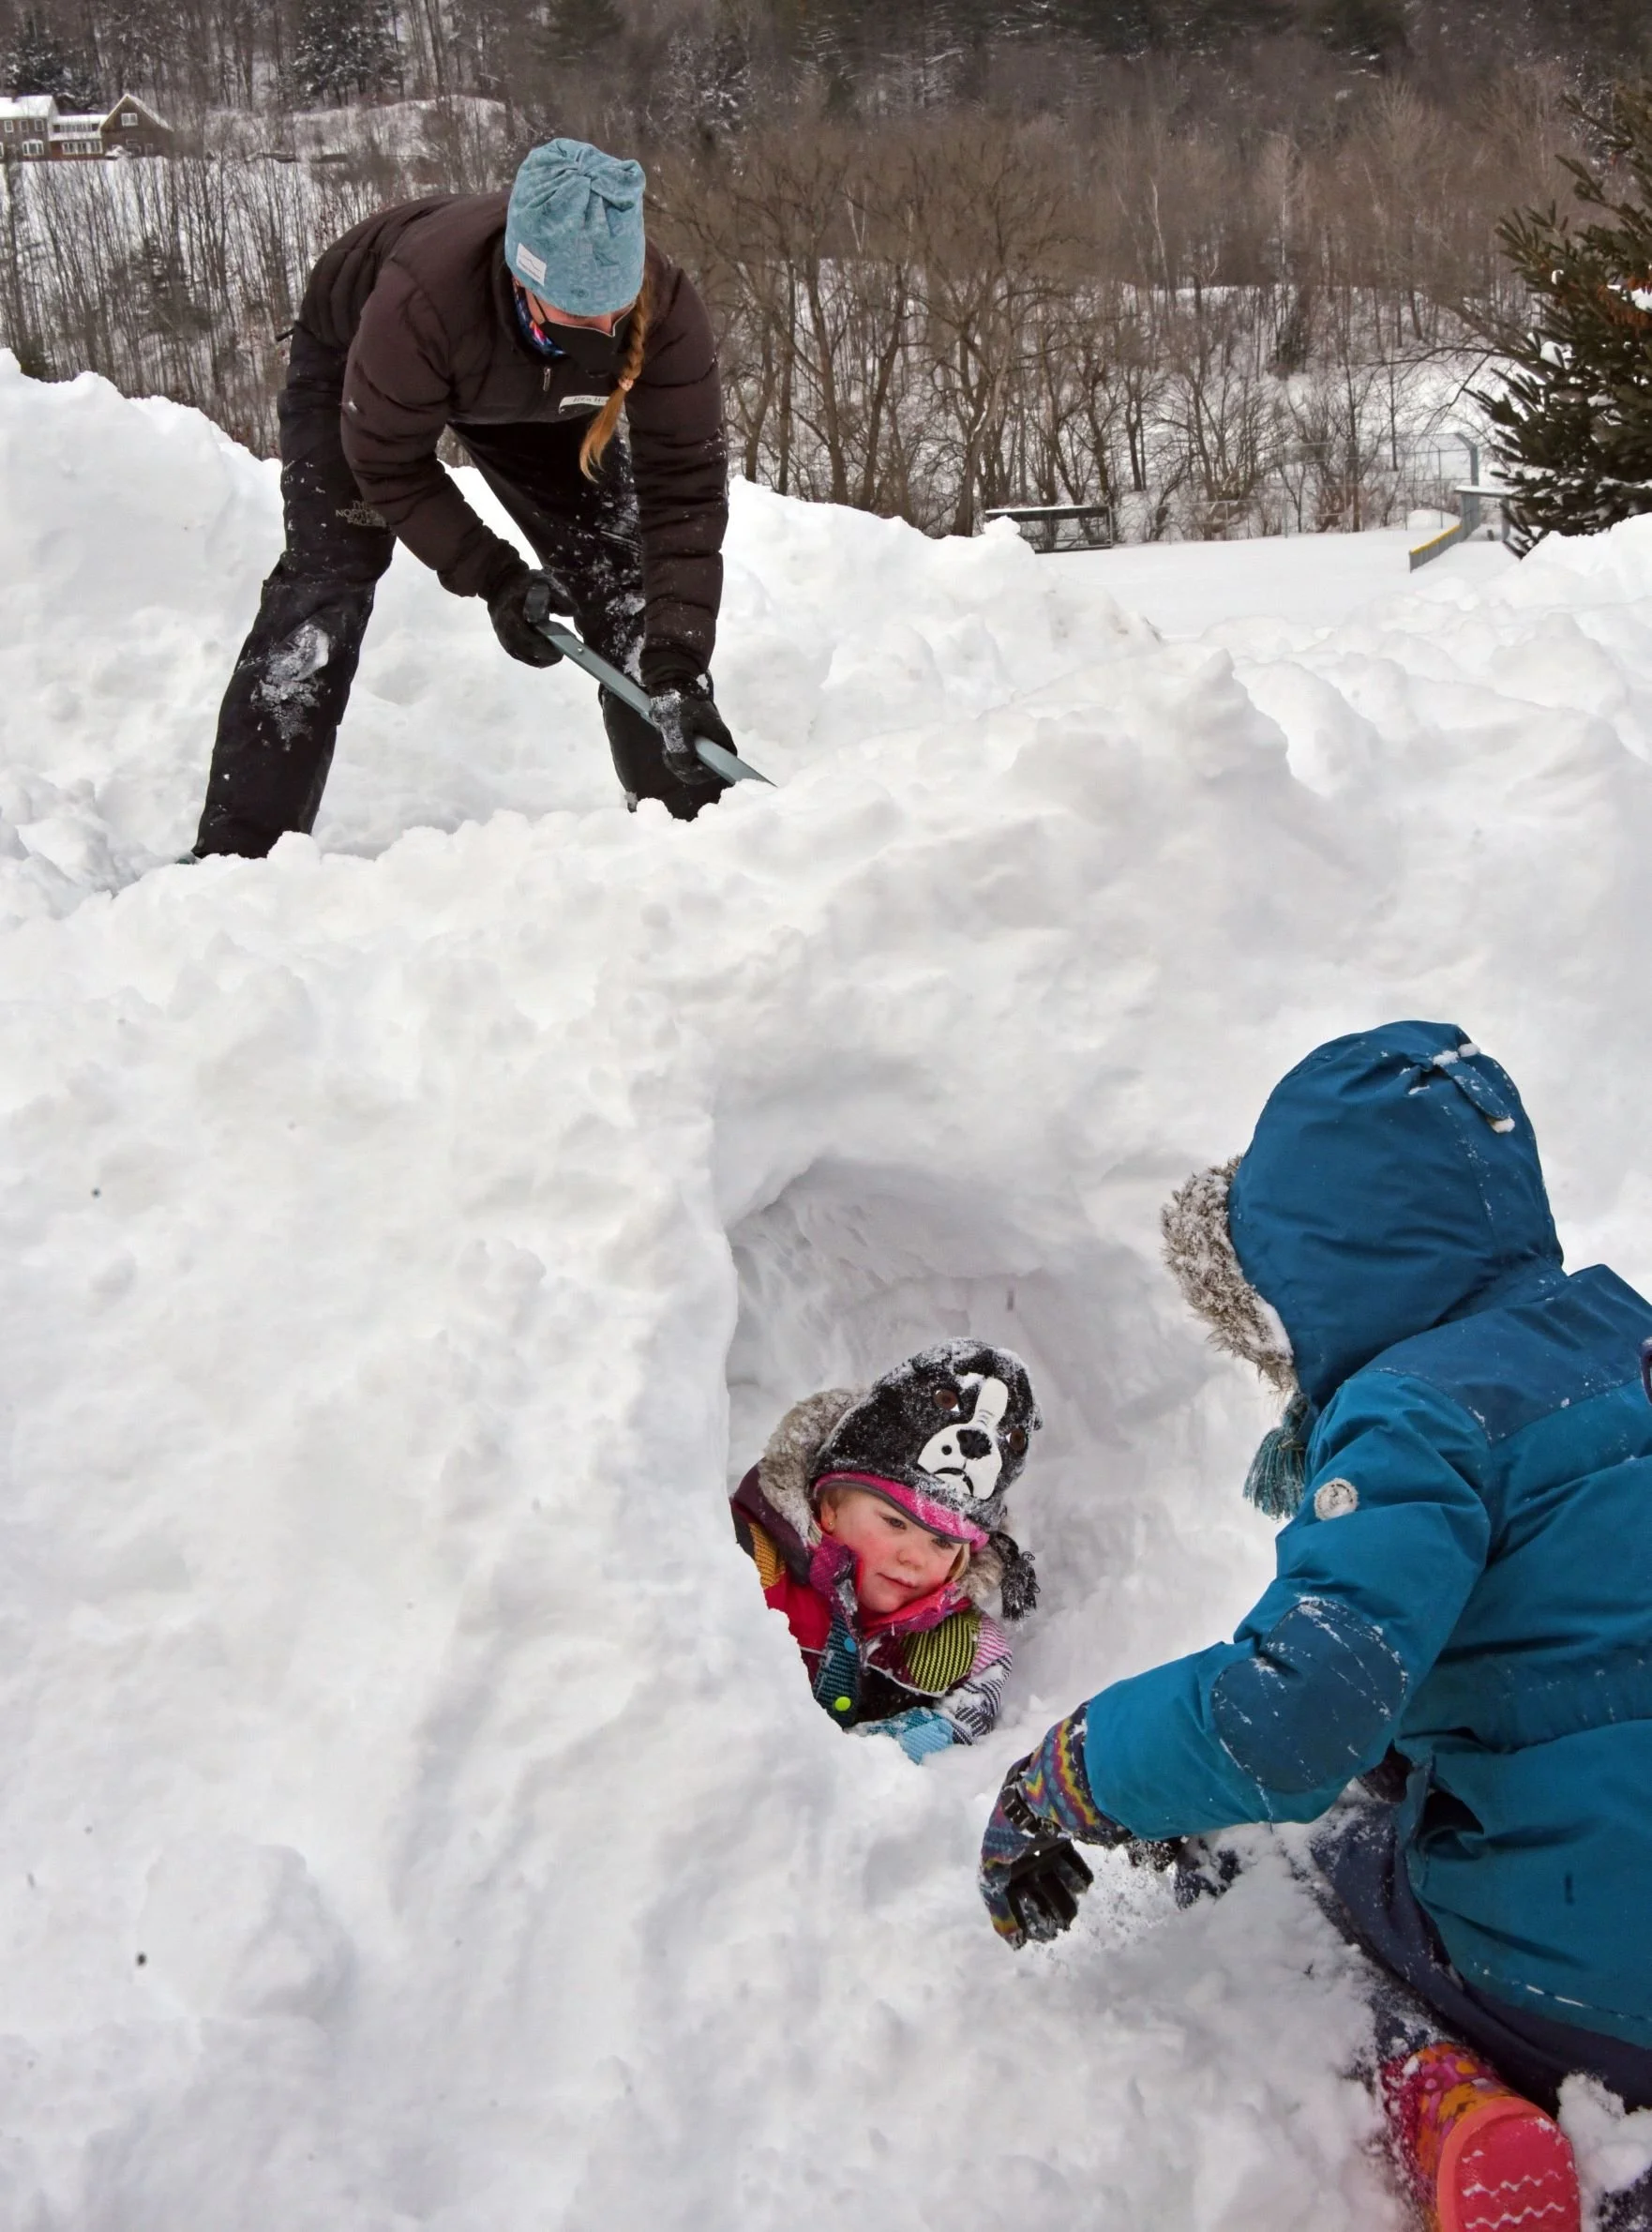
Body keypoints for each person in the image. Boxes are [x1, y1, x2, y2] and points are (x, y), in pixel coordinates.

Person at [978, 1022, 1652, 2232]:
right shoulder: (1627, 1345)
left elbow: (1289, 1719)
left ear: (1315, 1271)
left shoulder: (1417, 1410)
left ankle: (1428, 2082)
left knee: (1266, 1851)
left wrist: (1067, 1769)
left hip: (1591, 1973)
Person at [194, 136, 737, 856]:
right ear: (523, 279)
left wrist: (677, 664)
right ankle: (238, 851)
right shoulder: (421, 302)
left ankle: (693, 838)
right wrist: (496, 575)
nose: (604, 334)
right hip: (367, 374)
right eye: (578, 316)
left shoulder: (662, 307)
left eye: (614, 313)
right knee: (329, 581)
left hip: (537, 400)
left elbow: (684, 489)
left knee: (623, 582)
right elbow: (388, 463)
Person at [731, 1342, 1042, 1760]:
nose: (913, 1557)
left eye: (942, 1542)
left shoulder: (955, 1644)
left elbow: (968, 1712)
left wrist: (875, 1753)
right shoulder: (750, 1566)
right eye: (895, 1523)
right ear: (829, 1508)